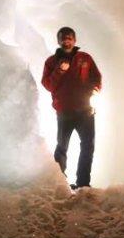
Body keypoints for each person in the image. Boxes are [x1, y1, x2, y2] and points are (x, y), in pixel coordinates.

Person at [41, 26, 102, 189]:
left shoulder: (85, 58)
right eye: (63, 38)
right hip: (64, 112)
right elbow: (47, 85)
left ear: (74, 40)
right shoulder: (51, 62)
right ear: (59, 41)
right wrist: (59, 71)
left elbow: (96, 77)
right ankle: (59, 185)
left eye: (69, 38)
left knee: (88, 146)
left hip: (85, 111)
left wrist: (94, 89)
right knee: (62, 147)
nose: (66, 41)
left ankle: (83, 184)